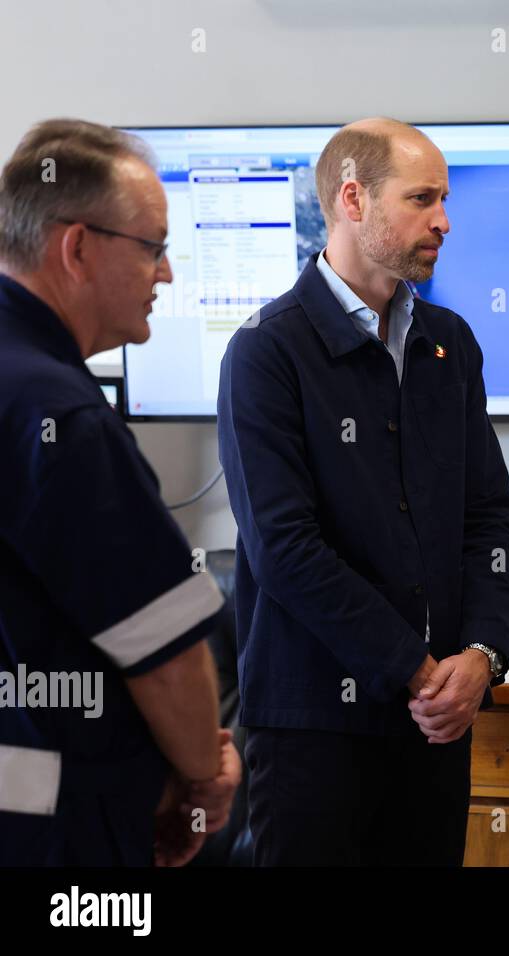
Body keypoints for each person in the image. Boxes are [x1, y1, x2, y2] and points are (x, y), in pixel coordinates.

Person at [218, 118, 509, 866]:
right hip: (314, 729)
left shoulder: (450, 343)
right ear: (352, 199)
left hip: (435, 724)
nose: (444, 221)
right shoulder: (267, 350)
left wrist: (481, 654)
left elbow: (487, 516)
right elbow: (285, 550)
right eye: (423, 199)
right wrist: (417, 671)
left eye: (444, 199)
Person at [0, 119, 240, 866]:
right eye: (154, 246)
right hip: (59, 830)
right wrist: (206, 778)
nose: (166, 274)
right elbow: (164, 650)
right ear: (76, 248)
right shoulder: (61, 415)